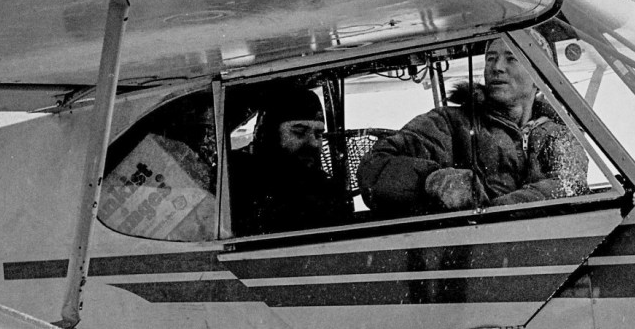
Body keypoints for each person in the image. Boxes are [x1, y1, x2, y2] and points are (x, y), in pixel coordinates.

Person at [357, 33, 589, 214]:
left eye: (511, 58)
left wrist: (492, 214)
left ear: (539, 77)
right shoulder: (450, 123)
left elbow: (567, 186)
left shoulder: (561, 136)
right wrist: (432, 180)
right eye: (491, 58)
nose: (497, 67)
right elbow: (374, 168)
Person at [231, 84, 350, 235]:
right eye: (299, 132)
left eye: (318, 134)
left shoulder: (326, 190)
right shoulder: (234, 178)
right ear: (269, 133)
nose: (314, 143)